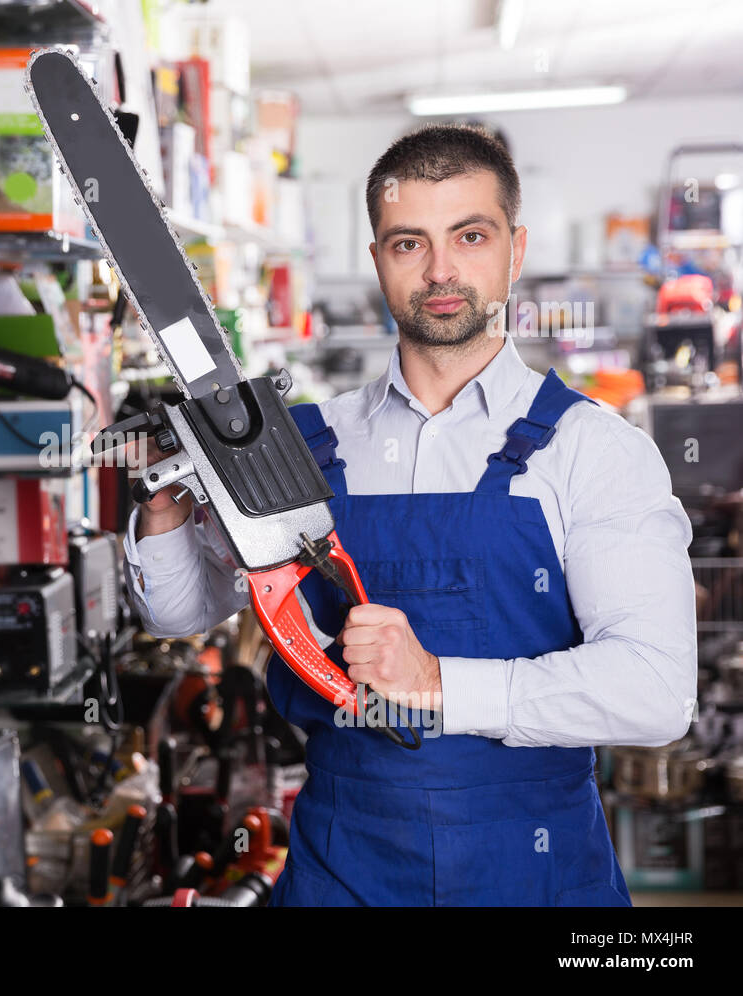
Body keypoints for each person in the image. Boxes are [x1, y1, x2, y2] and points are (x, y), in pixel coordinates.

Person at [123, 123, 697, 906]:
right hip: (342, 863)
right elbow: (184, 611)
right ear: (377, 263)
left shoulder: (593, 451)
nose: (441, 270)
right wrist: (162, 517)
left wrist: (435, 682)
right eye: (408, 243)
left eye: (470, 235)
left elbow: (656, 691)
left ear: (516, 251)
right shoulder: (309, 444)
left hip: (533, 869)